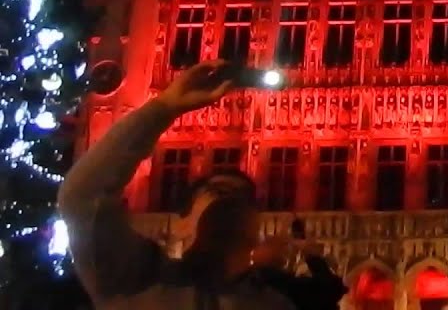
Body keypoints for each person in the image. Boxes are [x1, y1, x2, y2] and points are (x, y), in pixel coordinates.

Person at [57, 60, 292, 310]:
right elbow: (83, 196)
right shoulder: (136, 279)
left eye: (243, 198)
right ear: (181, 222)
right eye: (218, 192)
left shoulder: (275, 304)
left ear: (256, 226)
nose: (229, 206)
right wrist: (164, 107)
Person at [251, 235, 347, 310]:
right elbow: (330, 290)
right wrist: (312, 256)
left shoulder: (253, 281)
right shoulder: (277, 282)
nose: (285, 250)